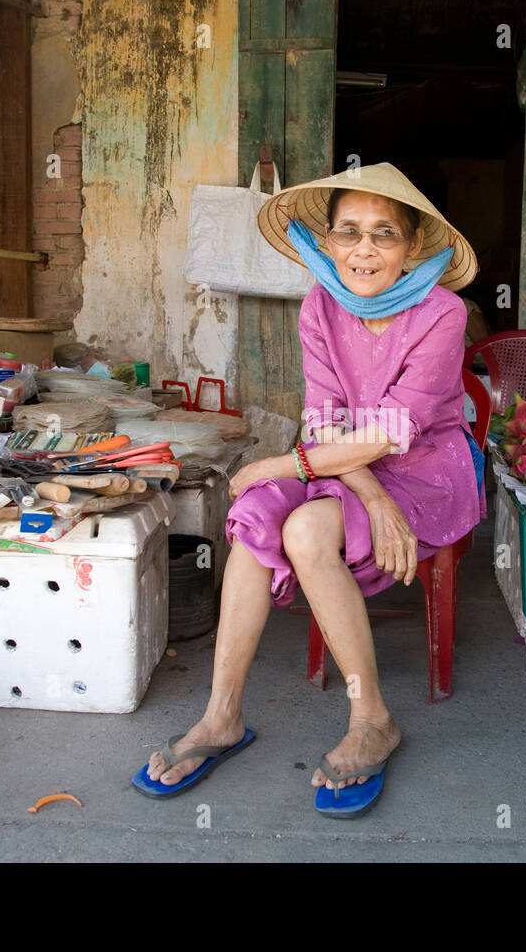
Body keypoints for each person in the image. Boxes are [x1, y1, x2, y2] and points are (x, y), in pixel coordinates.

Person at [133, 163, 483, 817]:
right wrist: (365, 495)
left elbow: (389, 434)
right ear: (327, 242)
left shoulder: (441, 312)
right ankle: (221, 716)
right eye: (348, 232)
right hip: (343, 461)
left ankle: (372, 717)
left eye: (385, 234)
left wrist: (281, 466)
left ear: (412, 248)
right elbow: (328, 421)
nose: (364, 249)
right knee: (256, 513)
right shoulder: (321, 306)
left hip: (426, 469)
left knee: (297, 522)